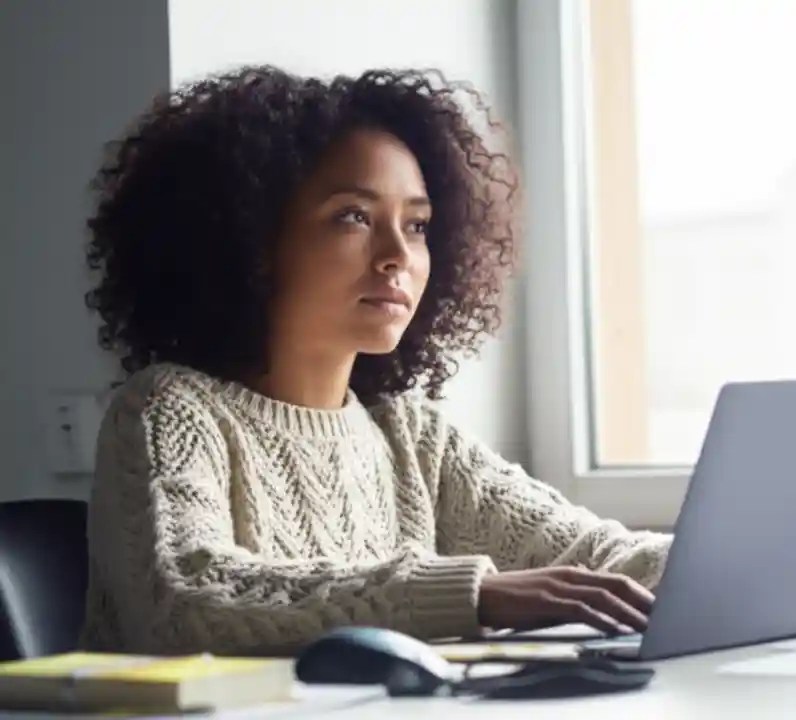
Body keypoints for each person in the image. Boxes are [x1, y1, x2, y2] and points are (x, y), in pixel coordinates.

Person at [80, 66, 670, 656]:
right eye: (354, 217)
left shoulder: (410, 437)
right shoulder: (169, 410)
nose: (397, 256)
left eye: (416, 226)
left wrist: (723, 566)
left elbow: (592, 557)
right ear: (247, 237)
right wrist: (474, 594)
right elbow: (188, 600)